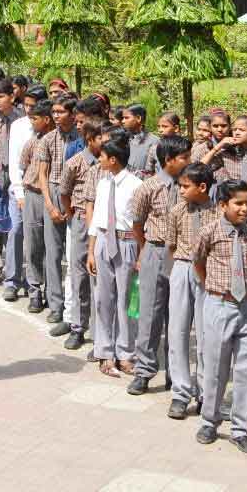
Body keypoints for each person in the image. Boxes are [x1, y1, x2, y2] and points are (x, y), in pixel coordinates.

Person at [193, 178, 247, 452]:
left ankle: (240, 428)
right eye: (239, 203)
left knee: (245, 368)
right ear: (223, 205)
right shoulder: (209, 231)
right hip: (219, 303)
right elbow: (198, 263)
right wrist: (213, 288)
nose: (245, 209)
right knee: (216, 367)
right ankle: (210, 420)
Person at [127, 136, 189, 395]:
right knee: (150, 315)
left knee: (178, 317)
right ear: (168, 160)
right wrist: (146, 250)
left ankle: (175, 374)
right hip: (155, 249)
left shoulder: (189, 186)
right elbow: (137, 224)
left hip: (183, 255)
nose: (189, 161)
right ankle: (144, 371)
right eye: (184, 157)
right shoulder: (148, 187)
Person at [87, 129, 142, 377]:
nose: (99, 160)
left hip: (126, 242)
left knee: (126, 301)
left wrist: (140, 254)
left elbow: (140, 222)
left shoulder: (136, 185)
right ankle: (105, 352)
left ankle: (126, 353)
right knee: (103, 299)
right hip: (102, 242)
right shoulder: (102, 183)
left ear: (114, 160)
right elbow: (97, 218)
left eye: (102, 156)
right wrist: (91, 251)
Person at [166, 162, 218, 420]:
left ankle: (206, 393)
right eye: (180, 185)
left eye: (186, 186)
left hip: (208, 273)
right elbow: (171, 245)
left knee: (207, 334)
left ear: (203, 187)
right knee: (177, 330)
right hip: (183, 267)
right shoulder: (176, 211)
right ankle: (180, 391)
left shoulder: (219, 213)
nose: (181, 190)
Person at [58, 119, 106, 351]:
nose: (106, 143)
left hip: (104, 223)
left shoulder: (108, 163)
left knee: (99, 276)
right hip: (80, 221)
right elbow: (64, 192)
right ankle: (78, 327)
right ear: (90, 140)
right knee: (78, 275)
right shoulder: (75, 163)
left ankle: (100, 333)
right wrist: (71, 215)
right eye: (101, 139)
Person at [37, 97, 80, 334]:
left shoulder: (80, 138)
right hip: (53, 191)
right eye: (53, 111)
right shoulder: (48, 139)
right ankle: (55, 303)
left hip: (74, 193)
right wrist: (50, 205)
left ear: (72, 114)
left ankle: (75, 308)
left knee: (73, 255)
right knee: (52, 252)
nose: (56, 115)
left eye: (61, 111)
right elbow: (42, 174)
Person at [10, 99, 50, 311]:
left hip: (51, 197)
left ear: (46, 119)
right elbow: (22, 164)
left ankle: (52, 296)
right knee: (33, 246)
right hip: (33, 194)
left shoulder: (58, 140)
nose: (31, 122)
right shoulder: (33, 141)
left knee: (52, 250)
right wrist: (20, 192)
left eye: (34, 119)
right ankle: (35, 291)